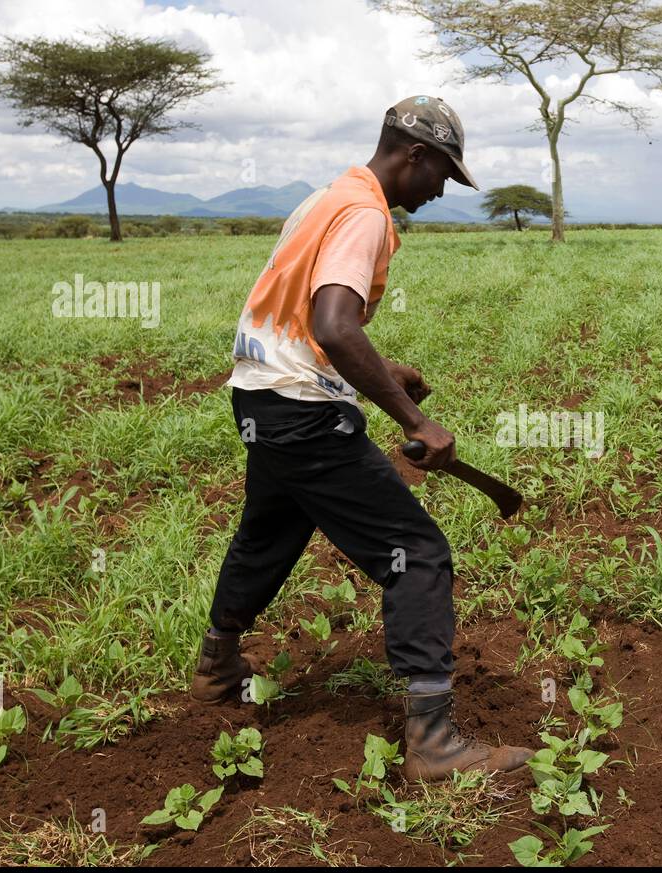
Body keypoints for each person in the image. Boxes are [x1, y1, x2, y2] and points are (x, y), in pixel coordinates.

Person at [190, 95, 533, 782]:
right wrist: (413, 418)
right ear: (416, 156)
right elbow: (336, 324)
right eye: (443, 174)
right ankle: (435, 745)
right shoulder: (365, 213)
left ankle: (216, 670)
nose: (441, 190)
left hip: (263, 397)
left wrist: (381, 372)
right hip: (304, 416)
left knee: (268, 533)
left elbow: (305, 318)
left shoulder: (326, 198)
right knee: (419, 554)